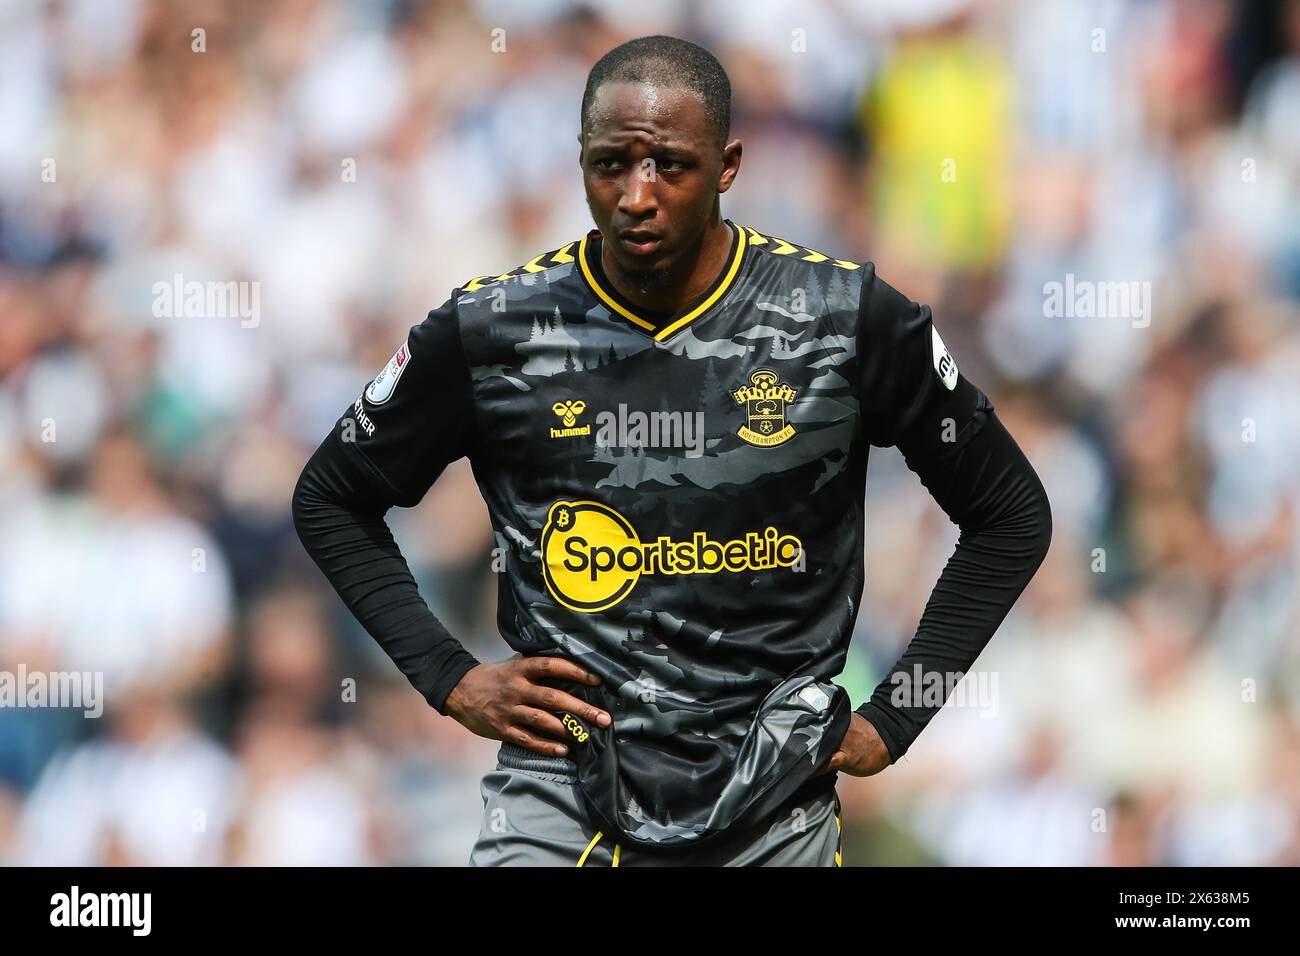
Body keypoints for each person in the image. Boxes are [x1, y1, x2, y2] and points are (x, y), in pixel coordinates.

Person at [292, 35, 1052, 866]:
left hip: (772, 808)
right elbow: (330, 496)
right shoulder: (492, 330)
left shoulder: (846, 320)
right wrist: (450, 676)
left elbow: (1011, 514)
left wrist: (900, 711)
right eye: (610, 165)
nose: (636, 197)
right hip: (560, 795)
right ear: (579, 159)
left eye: (671, 167)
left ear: (728, 166)